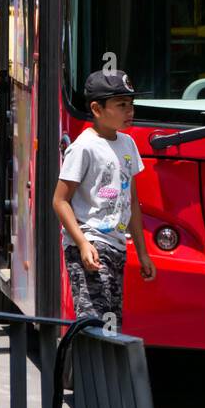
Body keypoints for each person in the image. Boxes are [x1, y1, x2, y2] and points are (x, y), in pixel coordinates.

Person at [53, 70, 155, 331]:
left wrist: (142, 253)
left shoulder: (128, 144)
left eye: (131, 104)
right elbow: (60, 201)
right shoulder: (84, 147)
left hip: (117, 247)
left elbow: (131, 201)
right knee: (94, 322)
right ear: (97, 109)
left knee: (112, 324)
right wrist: (83, 244)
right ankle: (80, 372)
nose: (129, 110)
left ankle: (98, 373)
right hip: (90, 243)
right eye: (121, 105)